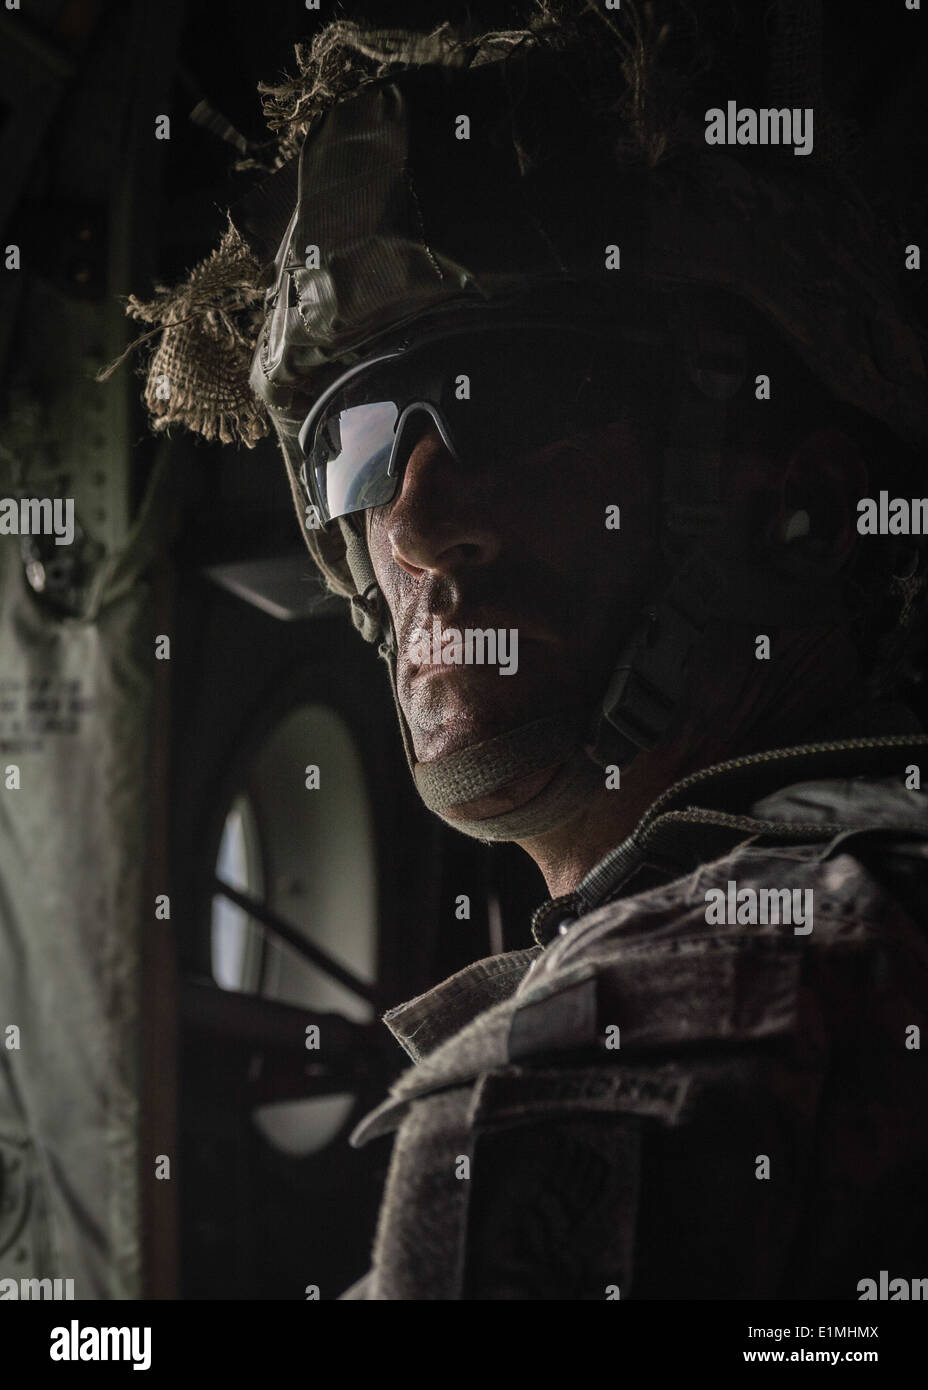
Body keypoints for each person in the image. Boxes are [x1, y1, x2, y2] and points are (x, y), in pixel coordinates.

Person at [127, 2, 928, 1299]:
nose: (416, 519)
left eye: (512, 402)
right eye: (363, 442)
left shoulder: (580, 1083)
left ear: (805, 507)